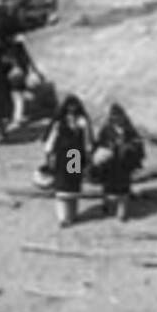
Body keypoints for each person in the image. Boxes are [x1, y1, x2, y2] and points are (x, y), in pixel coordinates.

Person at [0, 27, 45, 145]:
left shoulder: (15, 46)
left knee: (4, 108)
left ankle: (1, 130)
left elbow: (24, 59)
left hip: (2, 82)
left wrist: (31, 71)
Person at [39, 95, 93, 227]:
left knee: (72, 186)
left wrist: (88, 155)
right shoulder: (59, 123)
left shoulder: (82, 122)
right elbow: (51, 140)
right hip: (61, 156)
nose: (71, 113)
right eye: (69, 110)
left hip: (74, 155)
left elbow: (87, 141)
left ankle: (72, 215)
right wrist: (48, 155)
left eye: (73, 109)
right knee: (62, 188)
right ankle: (63, 218)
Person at [89, 103, 147, 221]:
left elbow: (137, 144)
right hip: (109, 164)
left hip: (123, 165)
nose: (116, 119)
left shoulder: (129, 130)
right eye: (113, 117)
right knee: (108, 187)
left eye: (118, 116)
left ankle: (122, 213)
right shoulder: (106, 130)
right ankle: (106, 205)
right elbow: (99, 144)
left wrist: (129, 149)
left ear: (123, 116)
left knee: (124, 189)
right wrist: (100, 154)